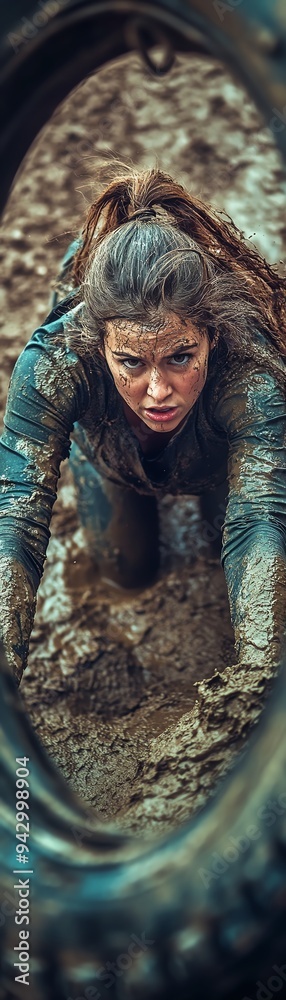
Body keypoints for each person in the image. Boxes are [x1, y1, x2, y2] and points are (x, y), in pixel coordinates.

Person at [0, 167, 285, 687]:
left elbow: (262, 517)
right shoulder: (57, 363)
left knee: (239, 559)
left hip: (218, 463)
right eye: (131, 362)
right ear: (99, 342)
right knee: (125, 572)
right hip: (112, 462)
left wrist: (259, 679)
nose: (158, 391)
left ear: (212, 337)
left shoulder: (251, 373)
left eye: (181, 357)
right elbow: (15, 516)